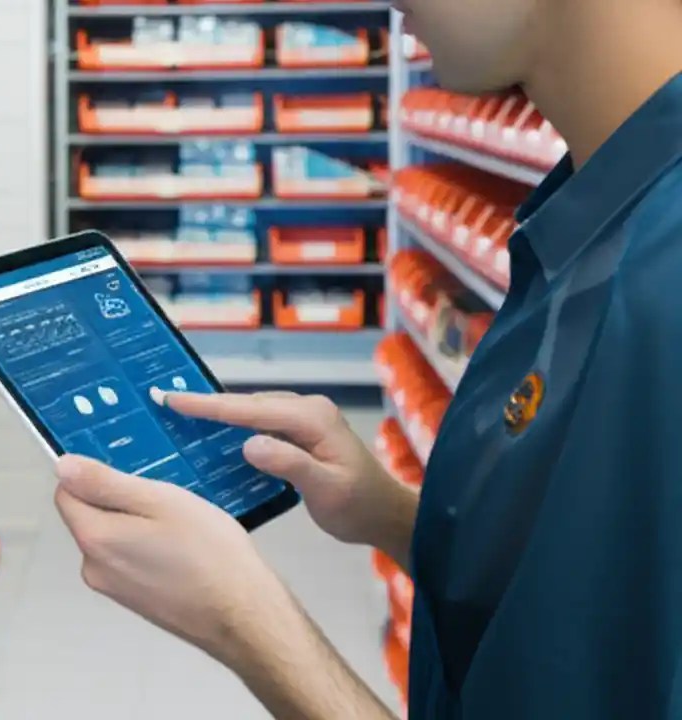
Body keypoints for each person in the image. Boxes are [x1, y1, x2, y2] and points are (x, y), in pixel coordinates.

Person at [52, 0, 682, 717]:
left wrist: (246, 622)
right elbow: (576, 614)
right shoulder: (598, 213)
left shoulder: (665, 282)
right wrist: (389, 515)